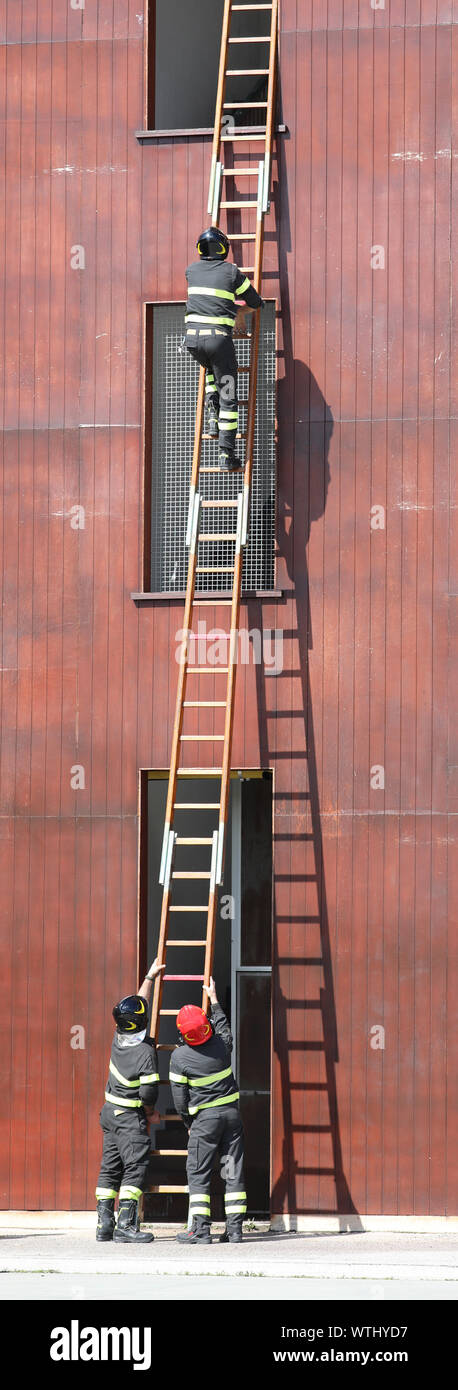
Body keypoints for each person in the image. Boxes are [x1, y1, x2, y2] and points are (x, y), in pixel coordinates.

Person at [169, 977, 247, 1244]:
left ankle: (201, 1230)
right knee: (231, 1170)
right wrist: (213, 998)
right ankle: (234, 1230)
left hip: (205, 1121)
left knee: (199, 1172)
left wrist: (188, 1122)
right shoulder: (222, 1045)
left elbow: (179, 1099)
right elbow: (224, 1028)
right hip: (232, 1117)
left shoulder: (179, 1057)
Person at [95, 957, 165, 1243]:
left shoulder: (119, 1037)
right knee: (135, 1165)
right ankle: (125, 1225)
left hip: (109, 1114)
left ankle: (104, 1225)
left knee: (110, 1167)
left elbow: (139, 1005)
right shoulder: (145, 1053)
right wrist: (150, 1113)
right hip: (128, 1119)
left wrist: (149, 977)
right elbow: (148, 1093)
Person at [184, 226, 265, 471]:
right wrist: (237, 311)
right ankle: (226, 454)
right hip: (219, 341)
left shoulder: (191, 271)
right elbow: (255, 302)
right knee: (229, 397)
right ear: (223, 249)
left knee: (211, 369)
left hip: (193, 342)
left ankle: (212, 417)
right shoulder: (231, 272)